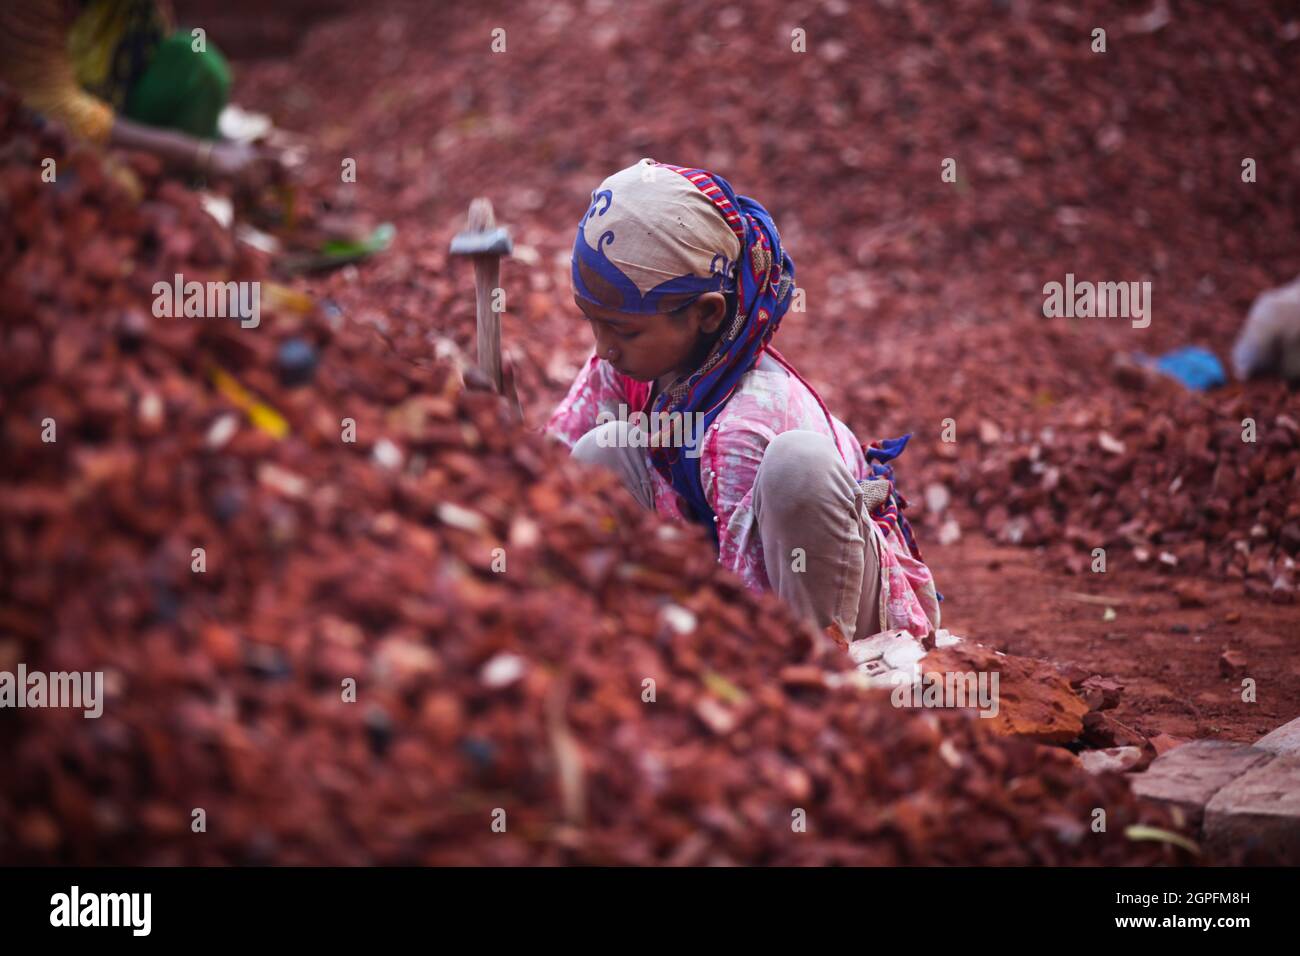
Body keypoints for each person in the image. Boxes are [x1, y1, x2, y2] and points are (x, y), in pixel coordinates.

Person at [546, 159, 941, 642]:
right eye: (592, 321)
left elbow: (746, 591)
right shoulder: (628, 365)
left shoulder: (745, 423)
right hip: (723, 580)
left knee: (797, 466)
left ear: (707, 315)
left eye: (624, 330)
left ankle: (824, 678)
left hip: (835, 607)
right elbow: (549, 465)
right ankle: (625, 646)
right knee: (598, 451)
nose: (604, 346)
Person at [0, 0, 282, 189]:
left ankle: (169, 187)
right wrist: (199, 153)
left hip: (108, 100)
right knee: (66, 182)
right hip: (40, 118)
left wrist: (219, 142)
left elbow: (152, 48)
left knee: (195, 63)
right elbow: (49, 103)